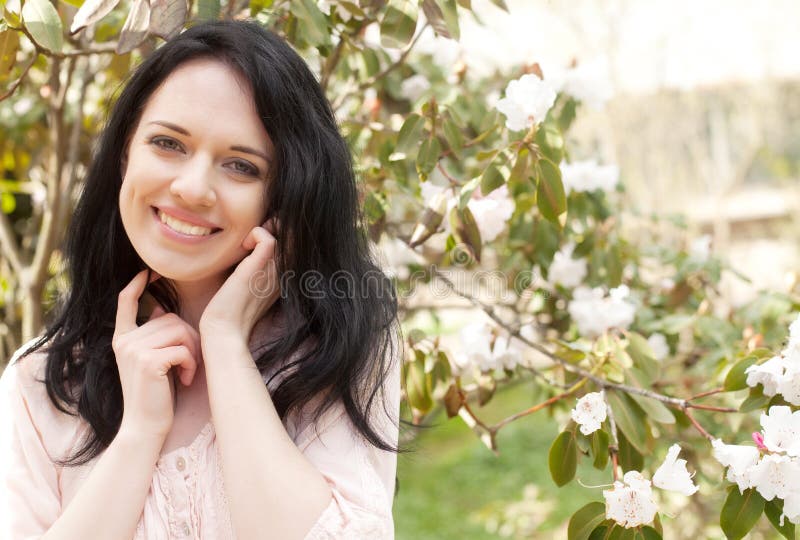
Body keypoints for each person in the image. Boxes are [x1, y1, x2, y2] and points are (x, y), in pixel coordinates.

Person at [0, 20, 402, 540]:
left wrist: (225, 341)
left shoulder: (339, 347)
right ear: (126, 152)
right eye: (168, 143)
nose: (192, 188)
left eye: (241, 166)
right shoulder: (40, 384)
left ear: (284, 195)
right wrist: (139, 436)